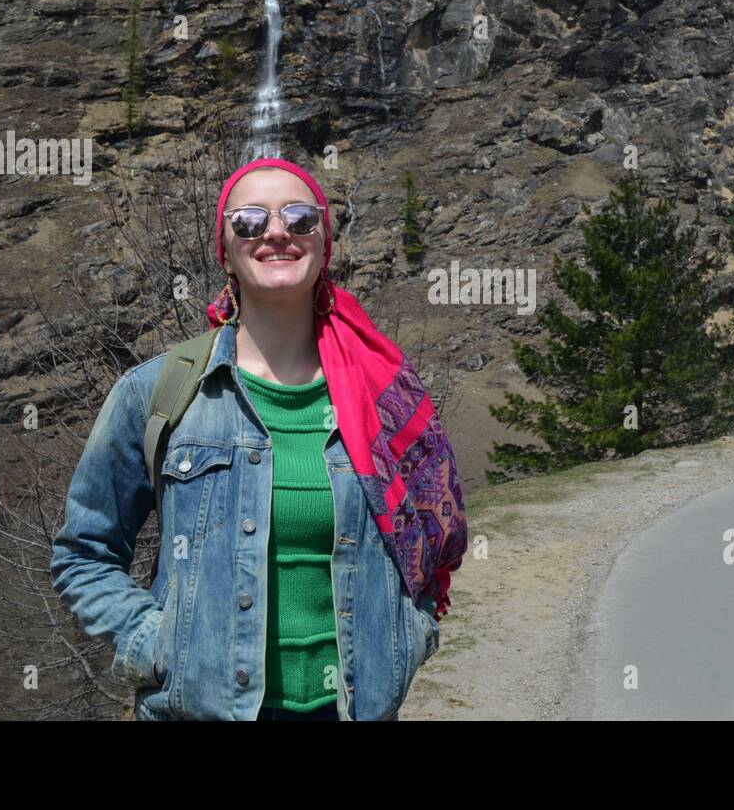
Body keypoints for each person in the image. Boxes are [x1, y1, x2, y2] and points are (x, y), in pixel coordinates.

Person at [50, 157, 467, 721]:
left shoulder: (383, 395)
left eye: (300, 218)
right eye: (249, 220)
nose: (276, 232)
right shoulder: (157, 391)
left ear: (325, 243)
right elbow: (84, 551)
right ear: (225, 249)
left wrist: (410, 633)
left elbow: (430, 536)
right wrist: (155, 640)